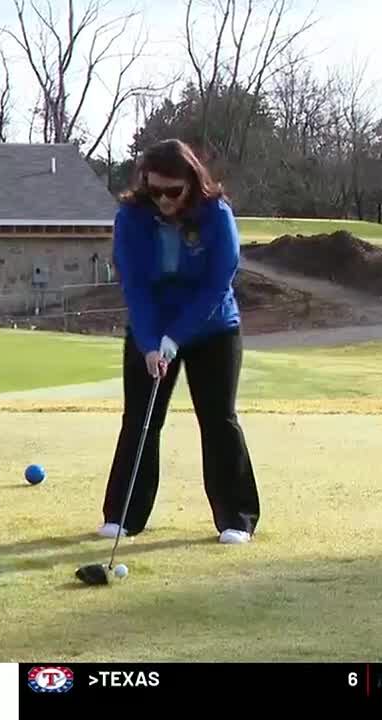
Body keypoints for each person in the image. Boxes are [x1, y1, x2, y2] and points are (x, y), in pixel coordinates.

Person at [98, 138, 260, 545]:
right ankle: (123, 517)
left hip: (213, 328)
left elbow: (215, 285)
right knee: (140, 419)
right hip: (152, 327)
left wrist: (176, 338)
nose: (164, 199)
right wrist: (151, 343)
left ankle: (236, 519)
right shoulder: (132, 218)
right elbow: (135, 286)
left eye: (173, 191)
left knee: (218, 419)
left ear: (191, 182)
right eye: (155, 190)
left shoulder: (217, 216)